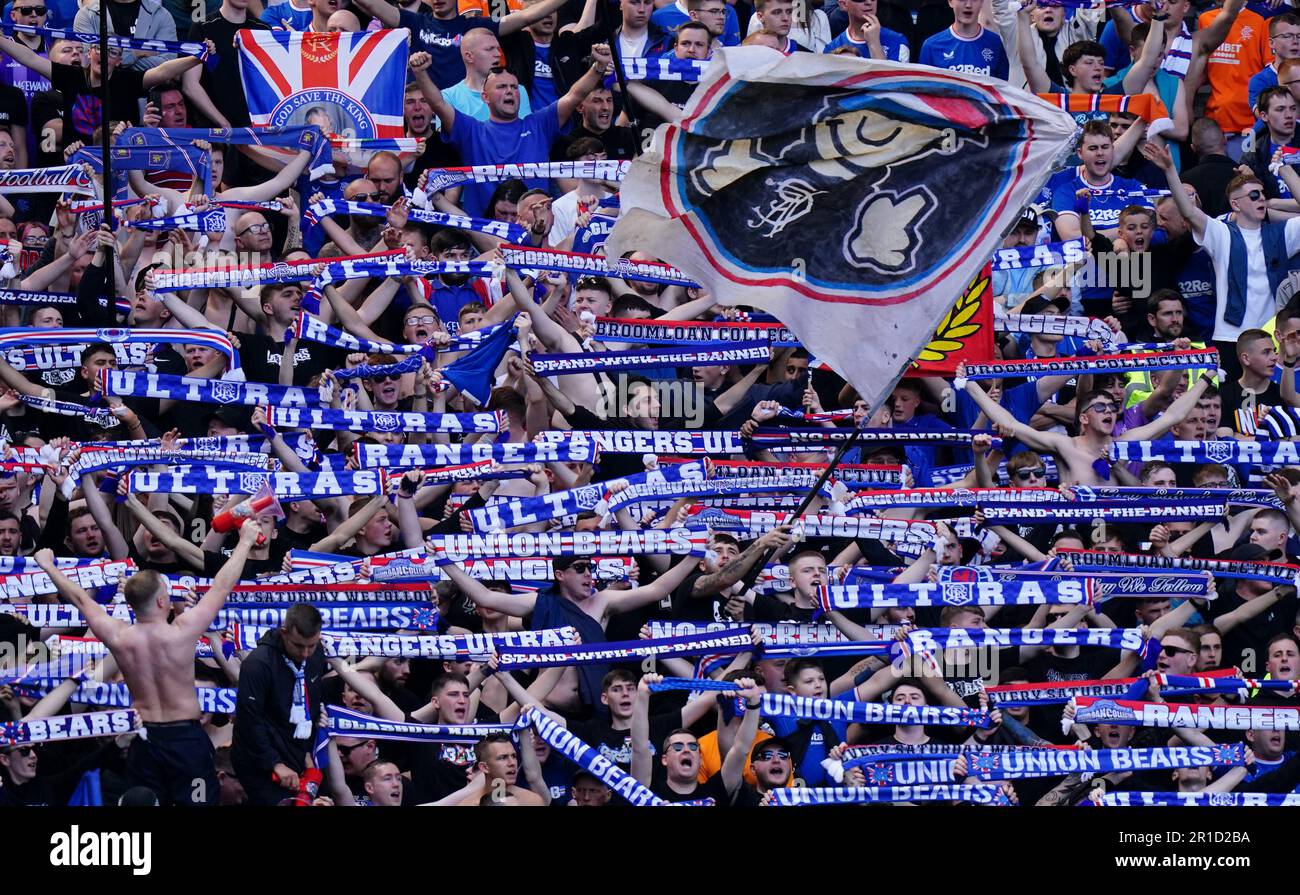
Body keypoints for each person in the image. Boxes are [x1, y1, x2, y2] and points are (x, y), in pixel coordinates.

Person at [33, 523, 260, 805]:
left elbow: (80, 600)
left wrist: (47, 565)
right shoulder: (183, 630)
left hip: (145, 740)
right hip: (186, 742)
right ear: (163, 601)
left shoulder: (119, 636)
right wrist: (246, 541)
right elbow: (223, 583)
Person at [230, 602, 328, 806]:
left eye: (312, 645)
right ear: (284, 633)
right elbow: (250, 721)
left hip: (298, 755)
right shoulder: (258, 664)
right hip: (258, 762)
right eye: (299, 645)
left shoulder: (316, 656)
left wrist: (307, 753)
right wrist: (274, 764)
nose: (306, 653)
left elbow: (313, 704)